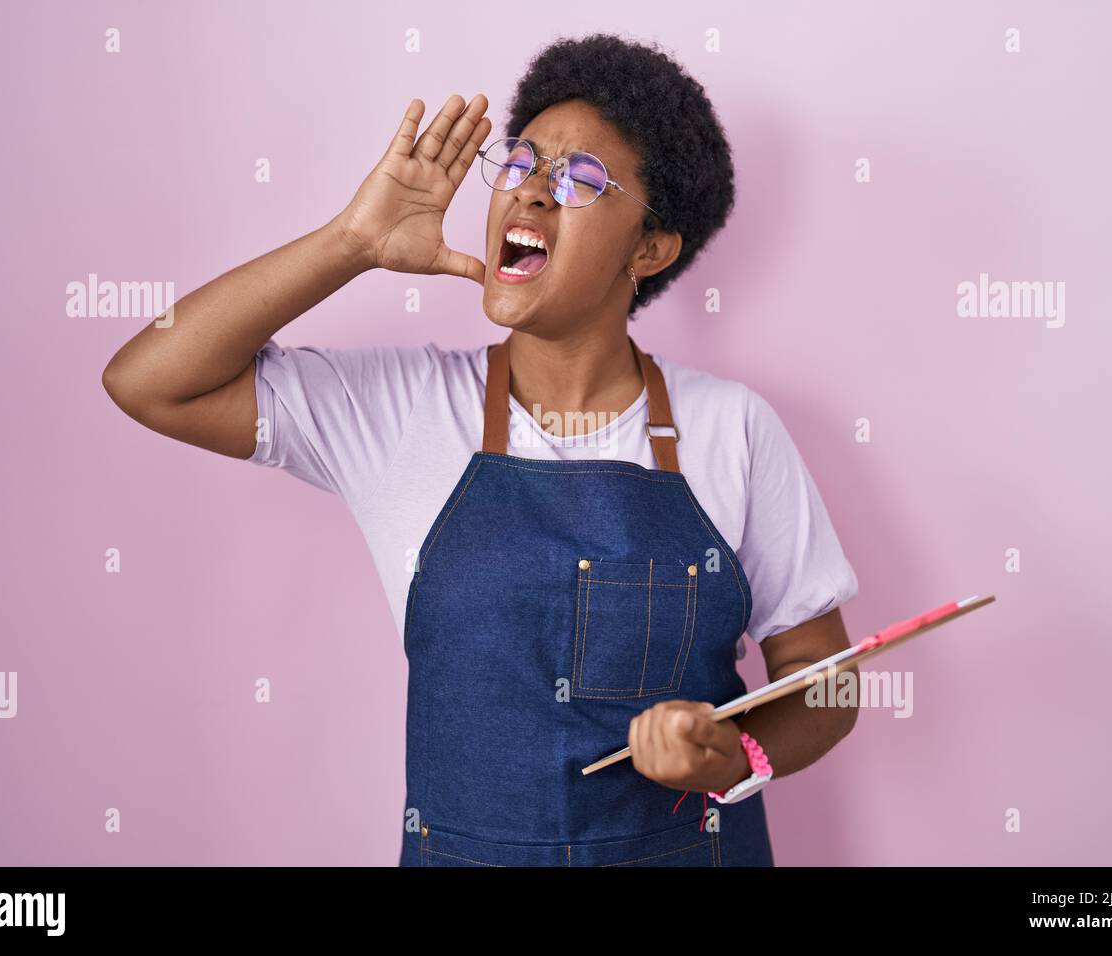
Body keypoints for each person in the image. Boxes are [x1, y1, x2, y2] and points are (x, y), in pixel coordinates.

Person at [103, 34, 860, 867]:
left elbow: (826, 680)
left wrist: (736, 753)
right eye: (522, 162)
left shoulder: (733, 428)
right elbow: (151, 380)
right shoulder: (400, 411)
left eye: (578, 179)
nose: (532, 193)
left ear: (649, 250)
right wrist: (352, 242)